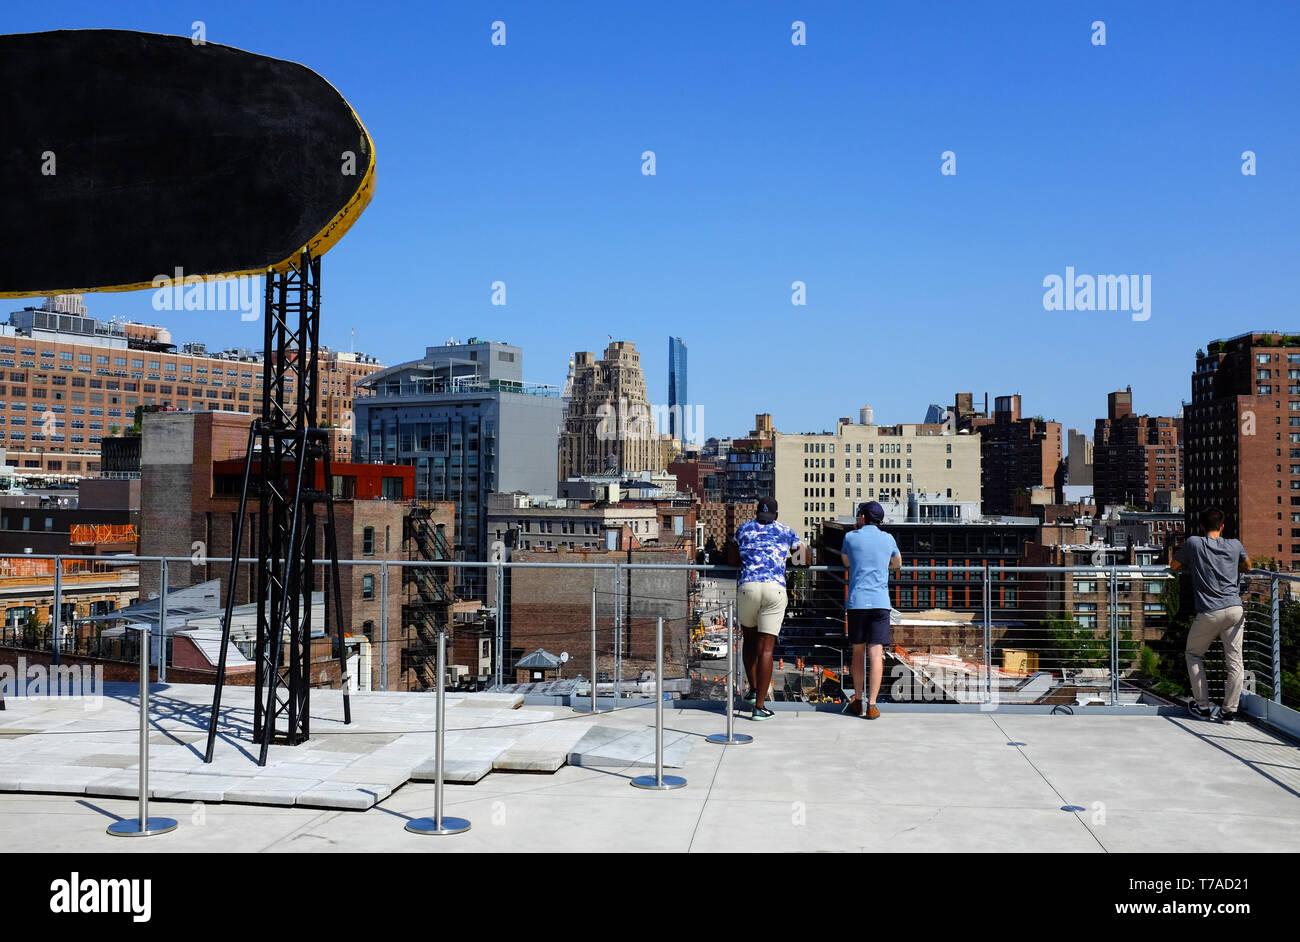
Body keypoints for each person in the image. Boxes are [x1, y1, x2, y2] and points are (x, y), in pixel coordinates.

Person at [1171, 507, 1251, 723]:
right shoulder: (1234, 544)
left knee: (1193, 654)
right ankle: (1229, 712)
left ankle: (1203, 706)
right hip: (1235, 609)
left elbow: (1175, 566)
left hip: (1210, 611)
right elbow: (1248, 565)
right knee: (1235, 662)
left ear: (1202, 527)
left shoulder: (1194, 543)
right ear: (1222, 526)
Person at [727, 496, 804, 720]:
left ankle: (752, 690)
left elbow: (732, 558)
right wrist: (784, 562)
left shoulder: (743, 529)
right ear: (776, 515)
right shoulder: (786, 531)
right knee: (767, 648)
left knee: (749, 640)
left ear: (756, 513)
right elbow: (803, 557)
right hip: (775, 589)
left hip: (748, 587)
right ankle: (759, 707)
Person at [840, 501, 901, 719]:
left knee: (858, 652)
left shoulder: (850, 537)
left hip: (857, 602)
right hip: (880, 602)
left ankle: (857, 699)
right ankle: (872, 705)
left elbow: (846, 561)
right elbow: (897, 563)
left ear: (864, 517)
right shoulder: (888, 538)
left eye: (858, 515)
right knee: (876, 654)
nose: (857, 518)